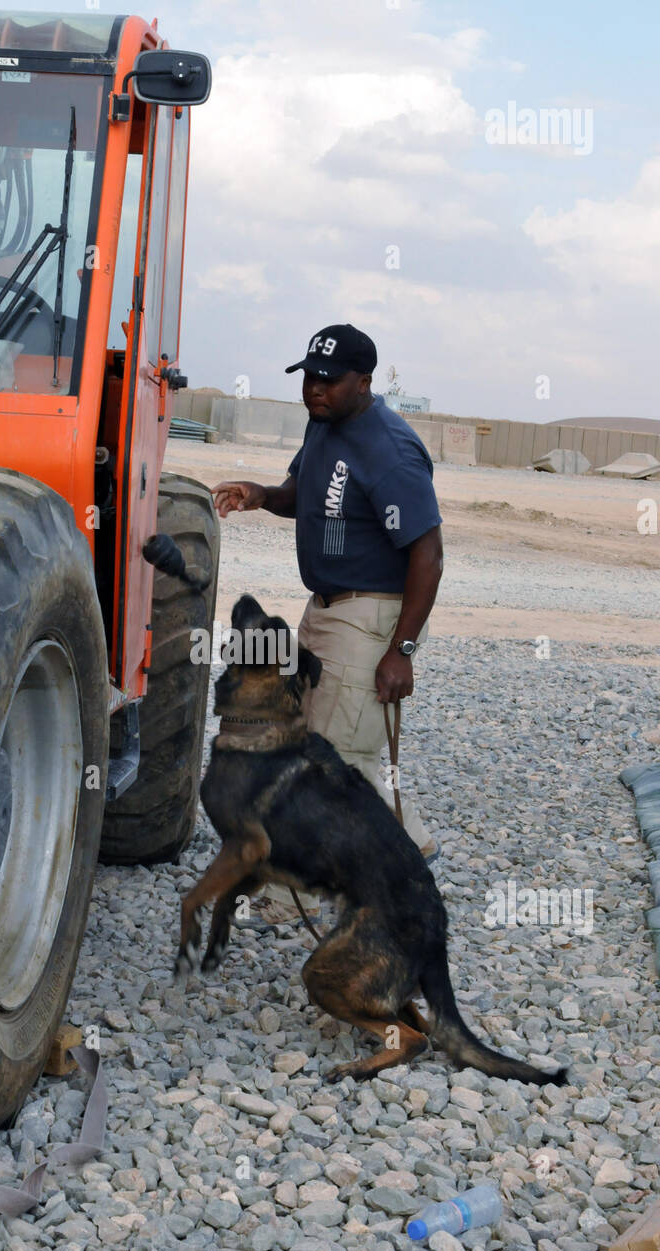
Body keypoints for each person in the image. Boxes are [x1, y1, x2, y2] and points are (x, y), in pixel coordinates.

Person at [212, 323, 444, 915]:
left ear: (363, 382)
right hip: (324, 611)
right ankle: (397, 845)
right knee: (319, 749)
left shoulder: (390, 450)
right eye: (309, 376)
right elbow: (304, 494)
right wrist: (262, 494)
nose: (315, 388)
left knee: (338, 760)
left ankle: (336, 883)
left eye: (329, 379)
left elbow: (429, 554)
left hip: (370, 617)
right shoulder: (324, 425)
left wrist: (401, 651)